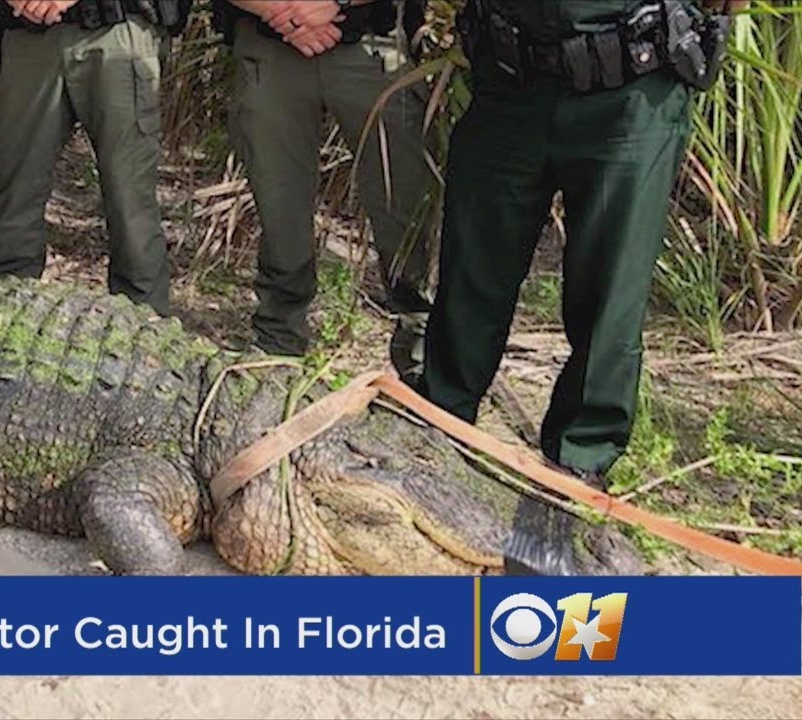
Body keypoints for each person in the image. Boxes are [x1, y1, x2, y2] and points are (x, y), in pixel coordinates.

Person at [420, 0, 738, 489]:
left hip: (631, 92)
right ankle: (440, 417)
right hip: (510, 79)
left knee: (610, 285)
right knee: (473, 264)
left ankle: (579, 458)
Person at [214, 0, 437, 379]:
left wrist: (328, 5)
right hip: (268, 44)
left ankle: (422, 352)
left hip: (374, 46)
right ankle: (277, 341)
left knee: (403, 209)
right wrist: (277, 8)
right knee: (277, 201)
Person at [0, 0, 191, 317]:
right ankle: (5, 311)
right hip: (29, 35)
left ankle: (144, 326)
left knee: (129, 195)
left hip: (117, 32)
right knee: (17, 188)